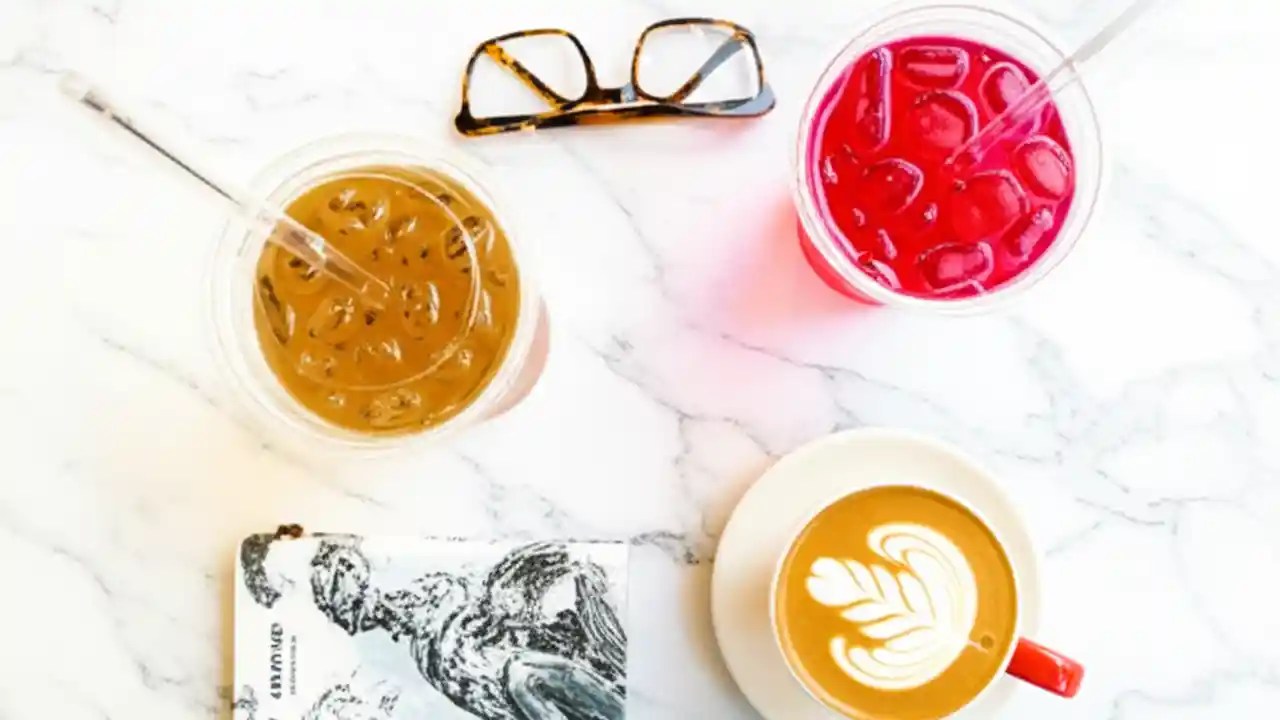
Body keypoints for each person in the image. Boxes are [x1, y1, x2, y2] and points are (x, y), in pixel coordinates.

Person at [309, 539, 626, 720]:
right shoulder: (434, 657)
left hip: (576, 675)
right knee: (521, 677)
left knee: (523, 674)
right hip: (543, 689)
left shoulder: (443, 595)